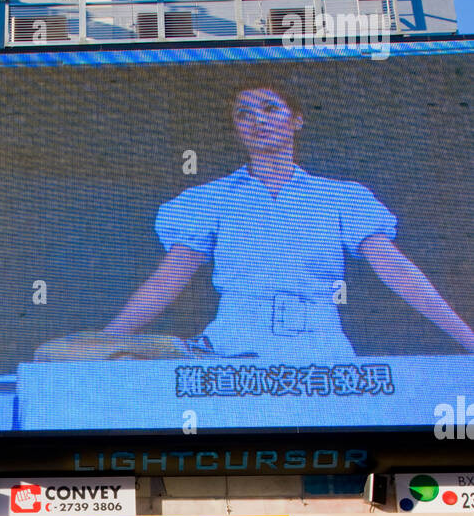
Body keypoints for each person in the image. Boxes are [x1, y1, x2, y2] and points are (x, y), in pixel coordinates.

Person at [104, 86, 474, 361]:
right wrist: (105, 342)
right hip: (230, 346)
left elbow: (396, 269)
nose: (258, 120)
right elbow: (167, 281)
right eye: (244, 114)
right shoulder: (207, 198)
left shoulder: (342, 197)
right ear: (236, 129)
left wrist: (468, 339)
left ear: (297, 120)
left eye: (269, 108)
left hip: (322, 349)